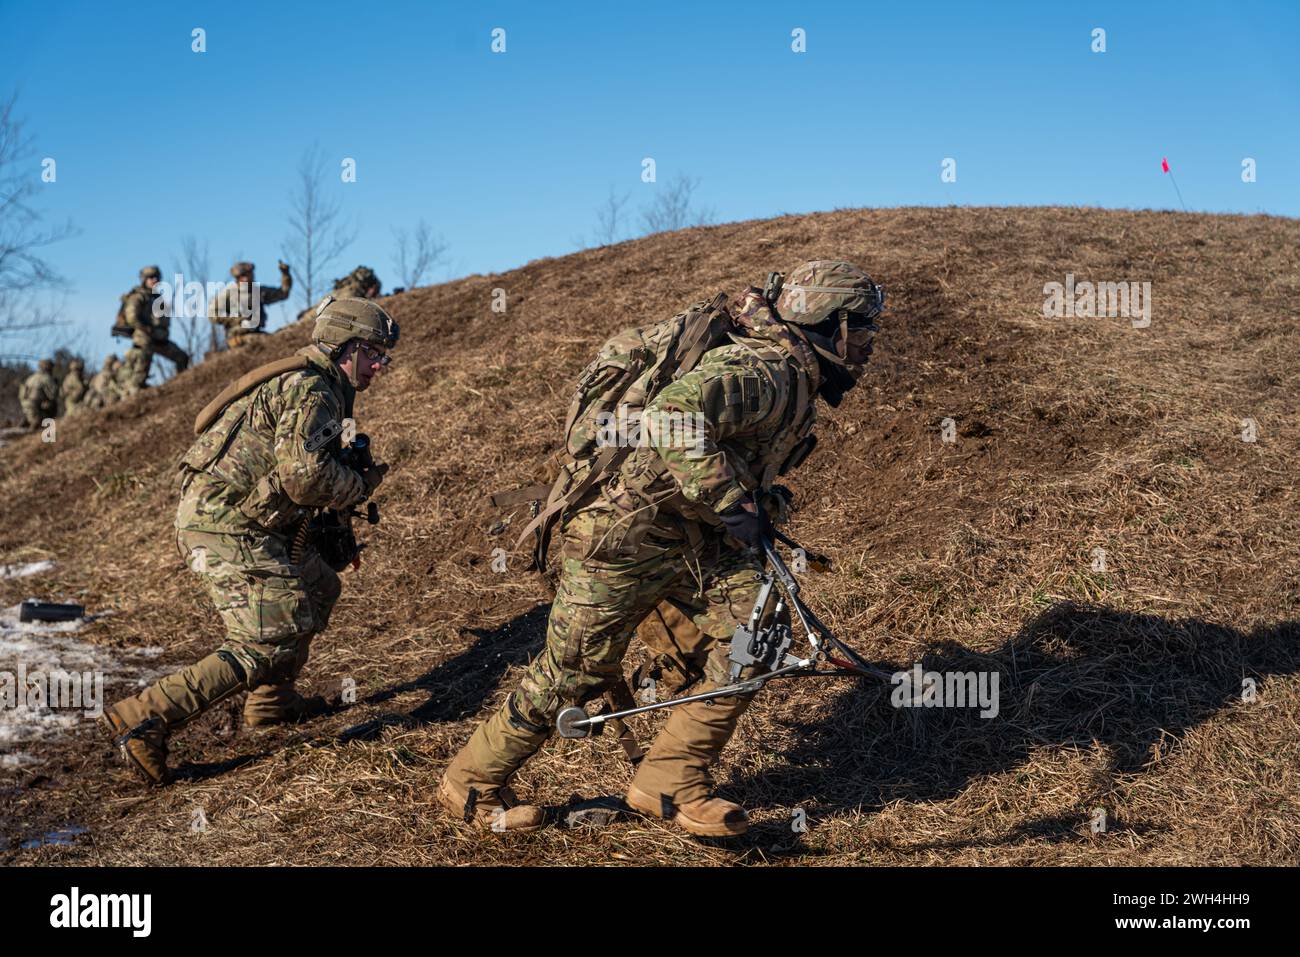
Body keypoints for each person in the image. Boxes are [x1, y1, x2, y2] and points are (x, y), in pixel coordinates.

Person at [439, 260, 885, 836]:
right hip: (621, 538)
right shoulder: (763, 370)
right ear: (833, 325)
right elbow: (670, 416)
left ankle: (669, 781)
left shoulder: (795, 376)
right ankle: (469, 783)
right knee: (574, 670)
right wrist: (731, 501)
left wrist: (754, 506)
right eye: (866, 329)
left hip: (696, 542)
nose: (871, 345)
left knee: (759, 633)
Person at [101, 297, 399, 786]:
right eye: (373, 353)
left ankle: (271, 701)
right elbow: (305, 479)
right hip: (225, 524)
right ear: (344, 346)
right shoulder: (314, 391)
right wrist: (359, 487)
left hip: (250, 521)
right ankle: (144, 716)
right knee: (266, 637)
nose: (379, 366)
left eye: (382, 356)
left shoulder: (321, 385)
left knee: (319, 586)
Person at [118, 265, 191, 394]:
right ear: (144, 280)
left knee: (182, 357)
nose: (154, 280)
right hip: (144, 339)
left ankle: (182, 386)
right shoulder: (138, 296)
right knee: (140, 373)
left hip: (159, 339)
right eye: (151, 278)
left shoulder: (158, 297)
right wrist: (146, 329)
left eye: (156, 277)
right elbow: (131, 318)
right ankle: (133, 395)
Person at [209, 260, 293, 349]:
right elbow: (212, 314)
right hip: (238, 336)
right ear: (240, 277)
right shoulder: (229, 293)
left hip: (256, 332)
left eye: (251, 274)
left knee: (279, 338)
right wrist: (234, 319)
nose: (251, 277)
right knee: (269, 342)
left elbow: (283, 293)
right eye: (247, 274)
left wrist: (285, 274)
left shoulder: (257, 291)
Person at [18, 358, 59, 429]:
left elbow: (21, 395)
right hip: (36, 406)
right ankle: (41, 423)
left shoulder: (31, 378)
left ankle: (29, 420)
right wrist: (56, 384)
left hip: (25, 406)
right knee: (52, 404)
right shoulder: (46, 378)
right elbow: (53, 395)